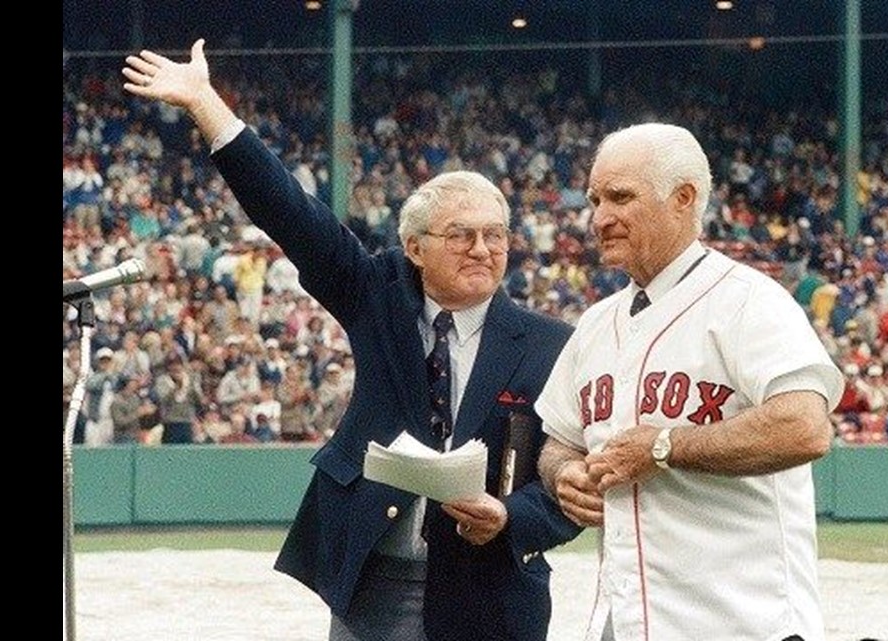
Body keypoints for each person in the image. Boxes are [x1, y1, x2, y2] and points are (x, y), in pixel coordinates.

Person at [123, 40, 581, 641]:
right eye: (461, 235)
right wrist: (207, 105)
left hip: (490, 589)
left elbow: (572, 485)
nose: (482, 249)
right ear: (415, 249)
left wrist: (510, 517)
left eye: (496, 236)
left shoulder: (553, 345)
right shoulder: (377, 297)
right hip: (376, 578)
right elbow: (290, 213)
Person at [533, 122, 844, 641]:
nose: (599, 218)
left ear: (683, 198)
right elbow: (557, 443)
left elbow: (804, 427)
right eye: (594, 200)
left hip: (740, 622)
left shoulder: (748, 301)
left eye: (620, 198)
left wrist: (664, 447)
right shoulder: (594, 325)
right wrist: (563, 474)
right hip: (624, 617)